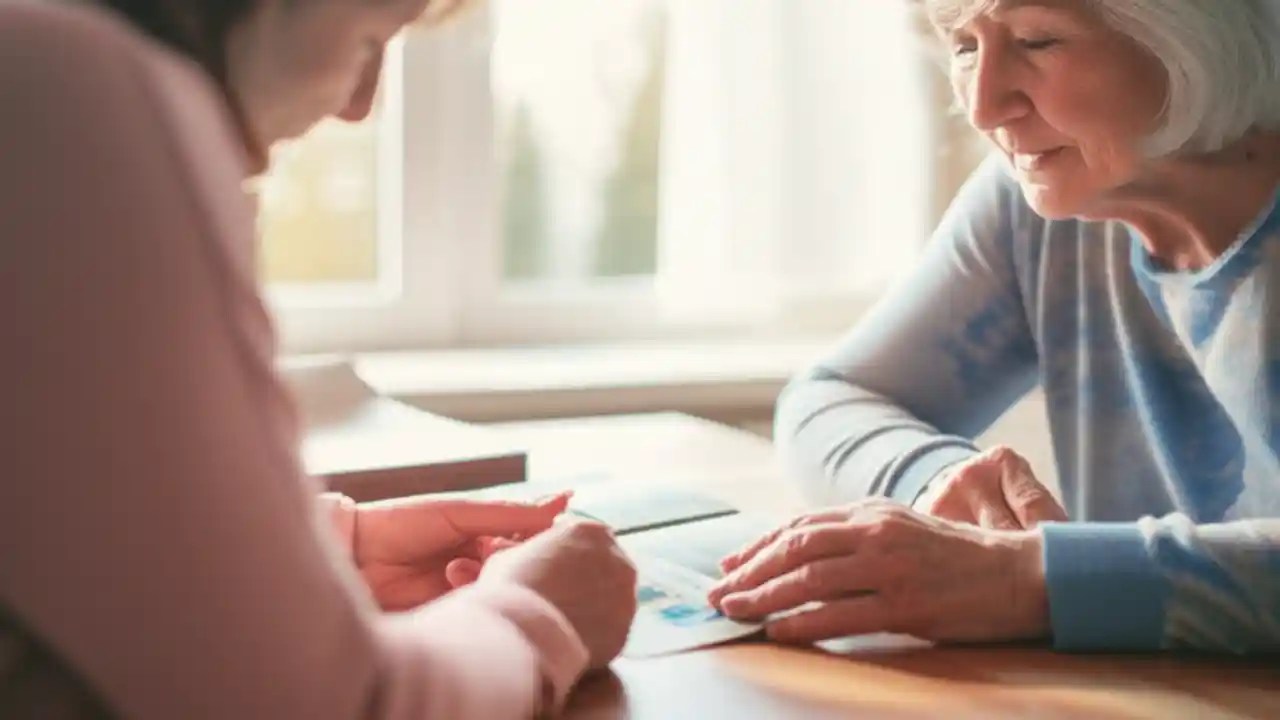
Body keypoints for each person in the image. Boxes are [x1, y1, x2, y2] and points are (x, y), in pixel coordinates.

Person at [0, 1, 638, 718]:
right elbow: (328, 707)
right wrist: (538, 615)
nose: (362, 106)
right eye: (371, 39)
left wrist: (328, 549)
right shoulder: (74, 93)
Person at [709, 0, 1280, 653]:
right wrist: (935, 482)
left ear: (1195, 35)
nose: (983, 108)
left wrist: (1030, 579)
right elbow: (830, 399)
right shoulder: (1046, 201)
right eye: (964, 44)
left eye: (1037, 41)